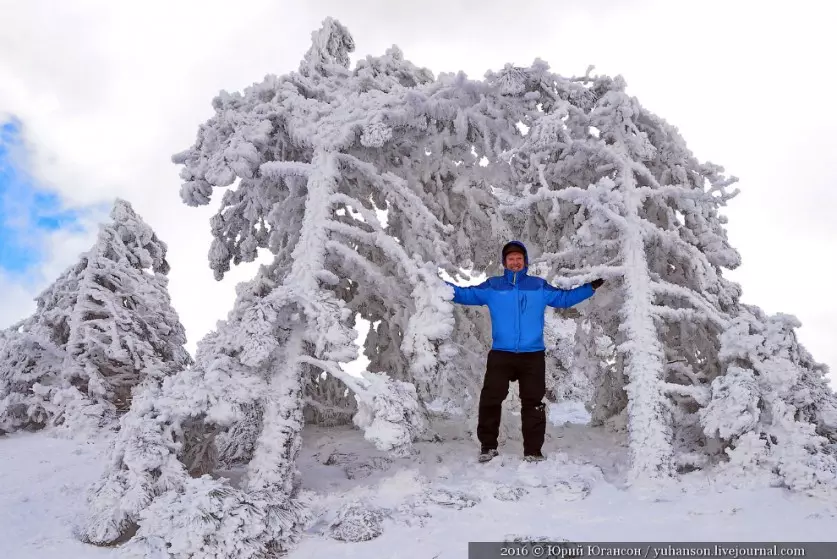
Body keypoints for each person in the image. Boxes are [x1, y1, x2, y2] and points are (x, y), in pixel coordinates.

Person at [445, 241, 604, 463]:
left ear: (525, 261)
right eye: (511, 259)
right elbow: (464, 294)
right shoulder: (493, 287)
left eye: (519, 258)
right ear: (504, 263)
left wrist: (591, 288)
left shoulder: (538, 286)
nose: (515, 262)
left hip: (532, 355)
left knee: (534, 402)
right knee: (491, 399)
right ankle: (488, 447)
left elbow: (564, 299)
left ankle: (533, 451)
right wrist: (436, 284)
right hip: (501, 354)